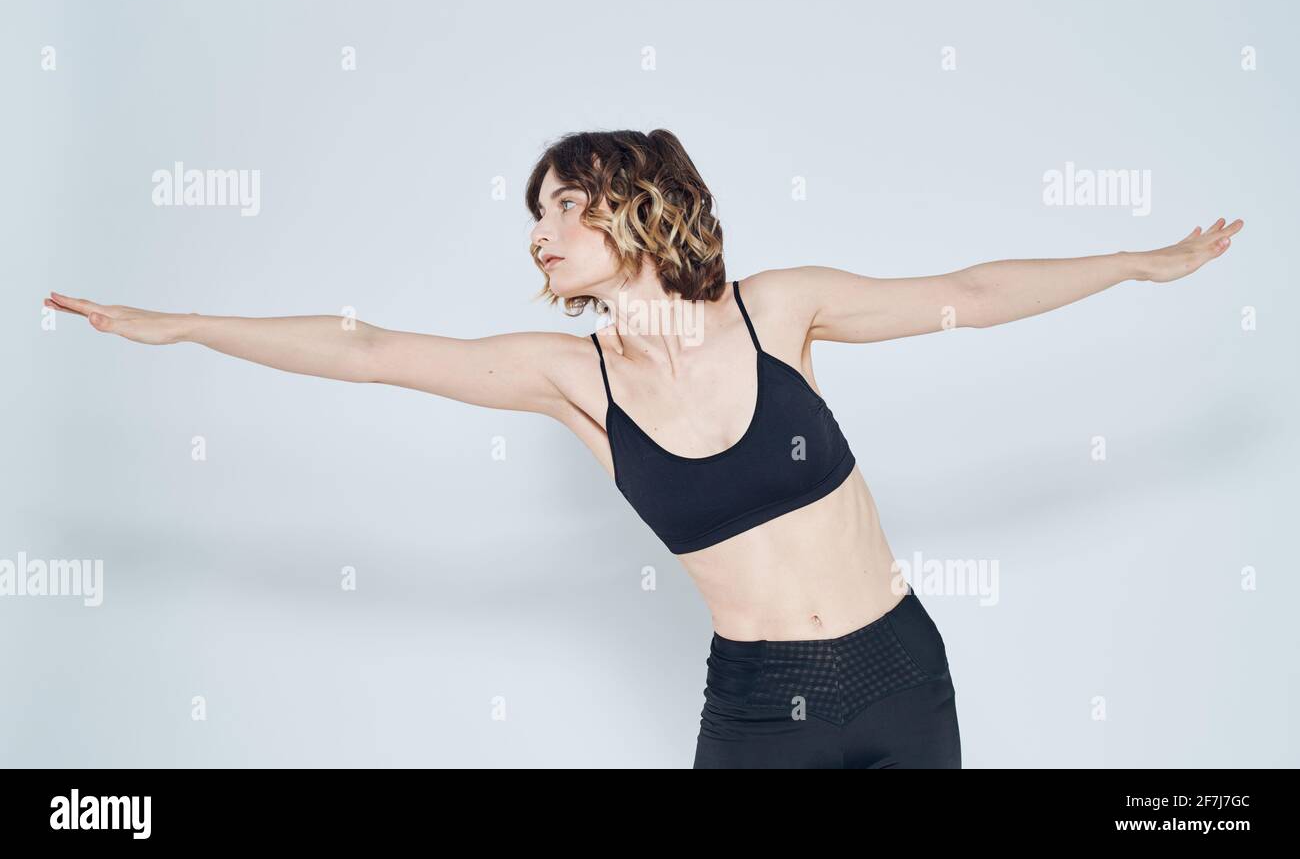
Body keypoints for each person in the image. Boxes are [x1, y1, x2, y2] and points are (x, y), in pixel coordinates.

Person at [44, 128, 1243, 768]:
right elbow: (367, 348)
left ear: (639, 207)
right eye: (535, 215)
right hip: (761, 710)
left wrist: (1139, 260)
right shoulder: (572, 380)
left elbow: (972, 290)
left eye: (565, 204)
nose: (541, 233)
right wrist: (186, 323)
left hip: (901, 675)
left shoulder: (779, 310)